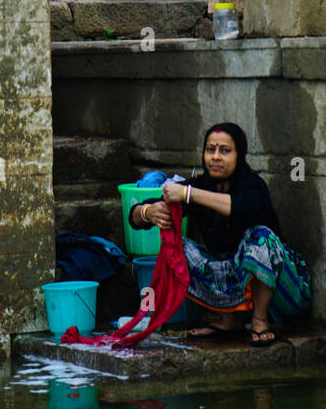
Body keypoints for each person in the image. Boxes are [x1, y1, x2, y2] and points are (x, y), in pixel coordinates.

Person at [128, 122, 311, 345]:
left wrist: (189, 194)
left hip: (284, 292)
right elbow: (135, 217)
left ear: (239, 155)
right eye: (210, 150)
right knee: (178, 246)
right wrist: (148, 212)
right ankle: (229, 320)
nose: (215, 157)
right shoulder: (198, 187)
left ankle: (260, 321)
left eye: (225, 151)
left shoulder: (253, 186)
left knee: (261, 237)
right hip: (233, 286)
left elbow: (241, 207)